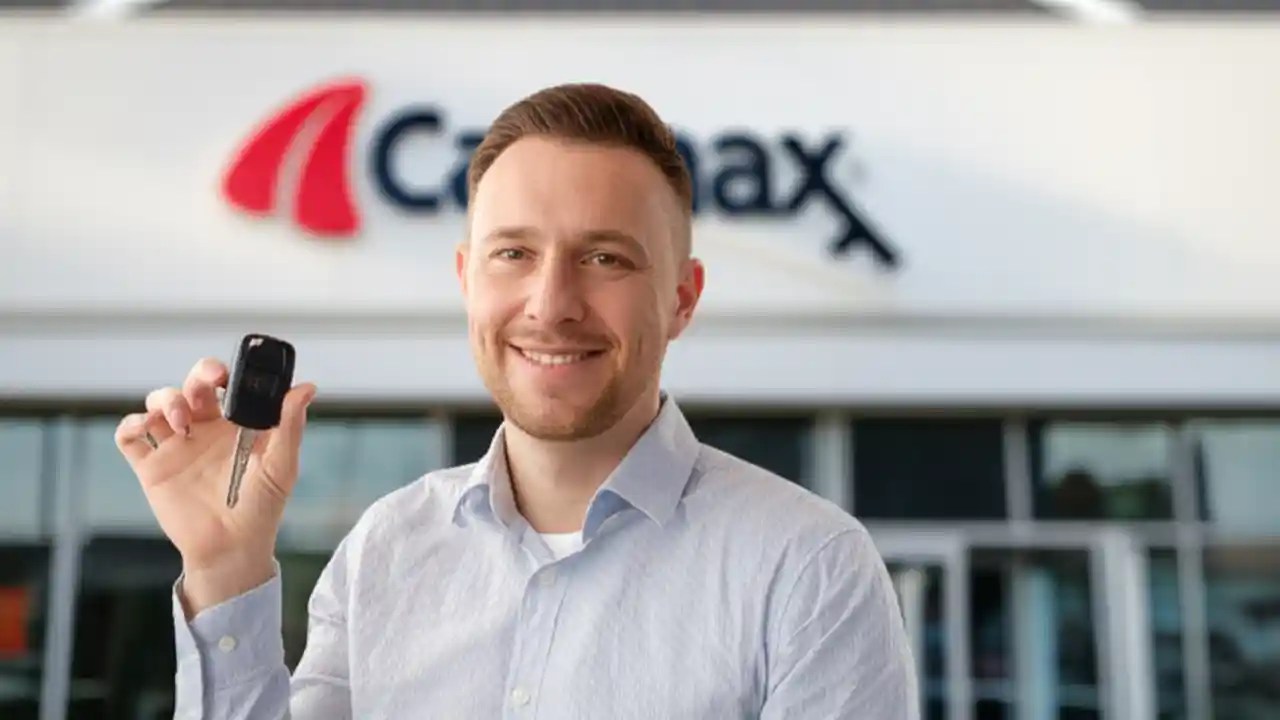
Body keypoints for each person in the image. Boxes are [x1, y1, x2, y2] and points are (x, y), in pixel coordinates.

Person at [114, 83, 918, 719]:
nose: (551, 304)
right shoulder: (384, 552)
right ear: (467, 279)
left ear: (682, 298)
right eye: (514, 254)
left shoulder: (808, 569)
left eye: (604, 258)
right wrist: (225, 569)